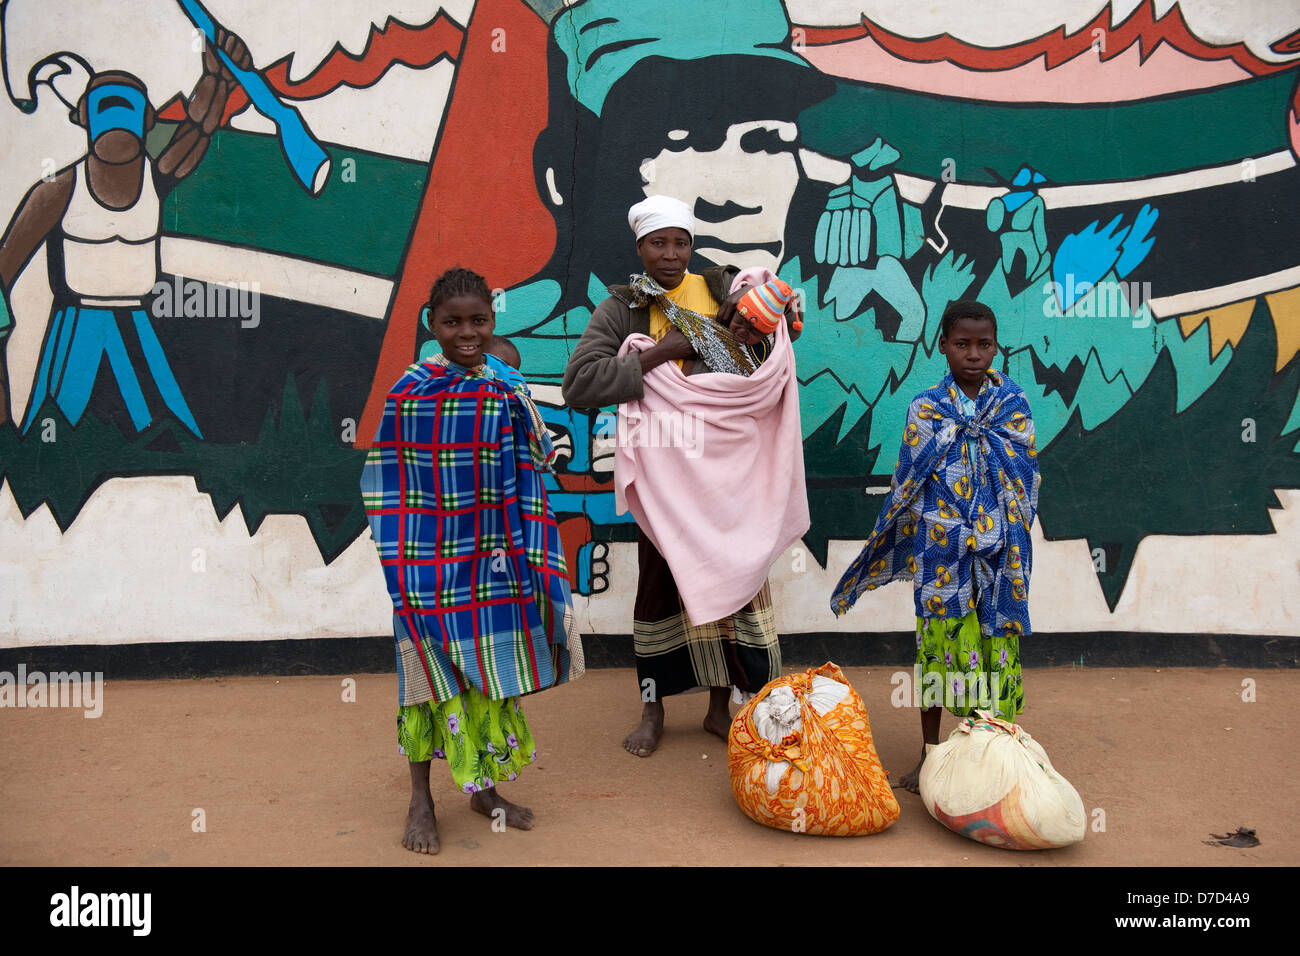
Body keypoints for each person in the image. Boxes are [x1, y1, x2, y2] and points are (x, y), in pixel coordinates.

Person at [563, 195, 803, 757]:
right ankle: (654, 709)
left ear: (692, 246)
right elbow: (579, 384)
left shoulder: (723, 288)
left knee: (734, 584)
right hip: (665, 477)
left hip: (730, 471)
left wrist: (782, 316)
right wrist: (662, 351)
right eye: (658, 243)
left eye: (680, 243)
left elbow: (771, 344)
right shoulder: (622, 308)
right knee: (660, 589)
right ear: (639, 248)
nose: (670, 254)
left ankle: (721, 710)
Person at [362, 267, 582, 853]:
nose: (466, 333)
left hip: (493, 559)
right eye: (452, 321)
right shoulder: (413, 390)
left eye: (478, 321)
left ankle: (484, 792)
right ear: (431, 323)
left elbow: (537, 461)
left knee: (489, 674)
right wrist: (411, 549)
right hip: (428, 558)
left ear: (493, 320)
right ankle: (420, 800)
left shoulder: (505, 384)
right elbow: (389, 476)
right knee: (425, 677)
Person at [829, 300, 1041, 792]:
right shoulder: (926, 408)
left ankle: (989, 757)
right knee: (938, 650)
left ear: (997, 347)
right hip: (942, 552)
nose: (973, 354)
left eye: (983, 344)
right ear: (943, 345)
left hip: (1001, 553)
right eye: (962, 344)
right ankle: (929, 754)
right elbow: (911, 483)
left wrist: (994, 531)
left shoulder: (1013, 403)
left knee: (994, 647)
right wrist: (956, 529)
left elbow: (1025, 476)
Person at [0, 32, 253, 434]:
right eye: (105, 109)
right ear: (83, 117)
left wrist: (217, 77)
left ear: (147, 120)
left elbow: (200, 128)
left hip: (136, 329)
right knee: (63, 434)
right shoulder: (59, 190)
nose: (116, 128)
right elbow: (4, 268)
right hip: (77, 329)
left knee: (161, 433)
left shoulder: (155, 179)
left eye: (126, 110)